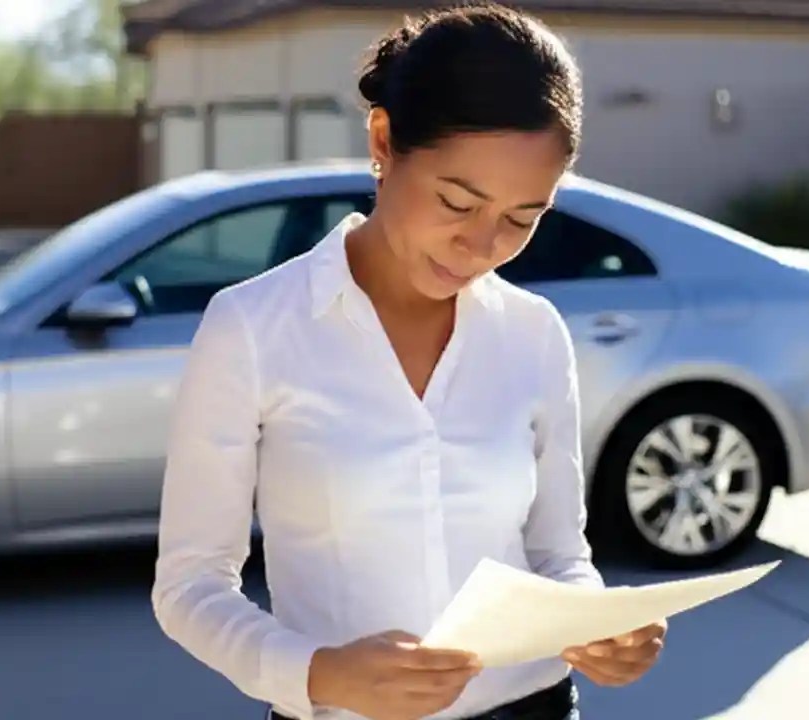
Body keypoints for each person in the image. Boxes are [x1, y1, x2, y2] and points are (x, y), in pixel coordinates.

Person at [151, 3, 666, 718]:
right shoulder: (253, 328)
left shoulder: (533, 333)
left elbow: (557, 557)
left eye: (523, 218)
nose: (482, 245)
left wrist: (595, 625)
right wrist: (319, 673)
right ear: (385, 140)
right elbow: (190, 586)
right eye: (458, 201)